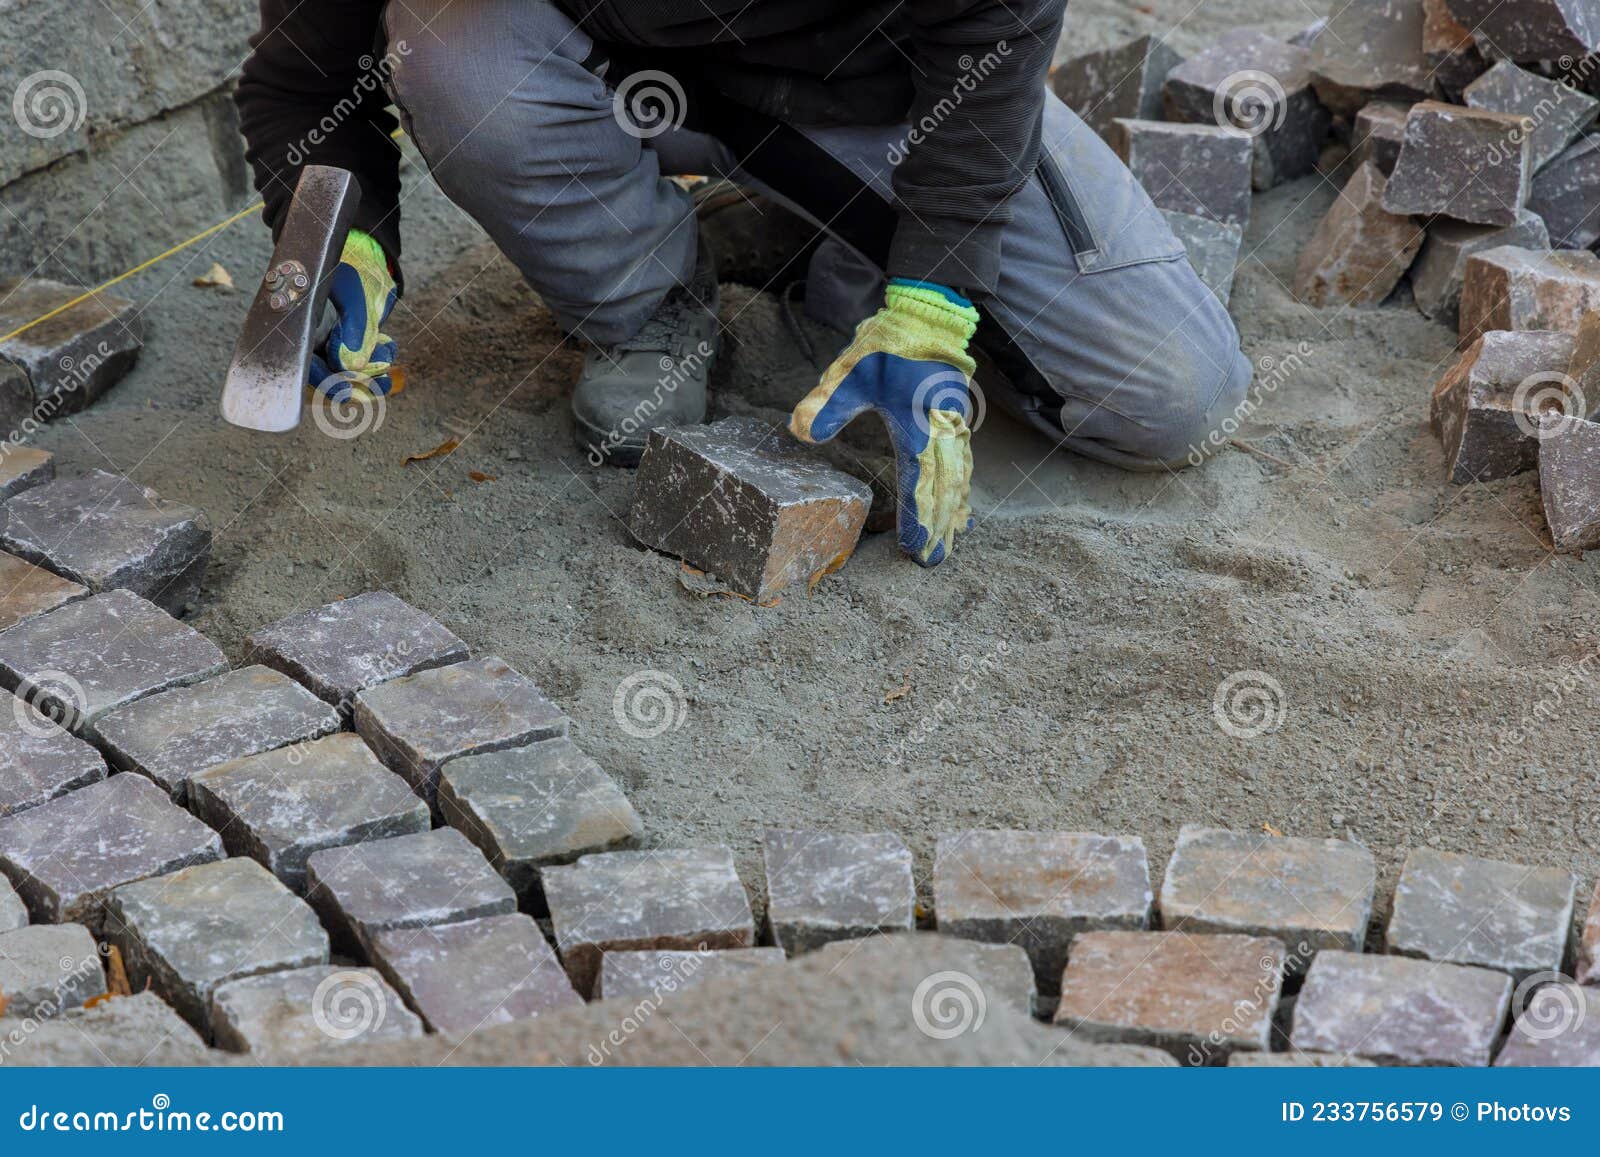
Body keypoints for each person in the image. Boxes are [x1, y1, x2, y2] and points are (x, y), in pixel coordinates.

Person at [237, 0, 1251, 568]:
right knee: (445, 38)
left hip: (879, 105)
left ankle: (817, 239)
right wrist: (349, 233)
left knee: (1170, 394)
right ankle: (650, 305)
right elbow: (299, 80)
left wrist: (934, 306)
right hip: (596, 82)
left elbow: (992, 46)